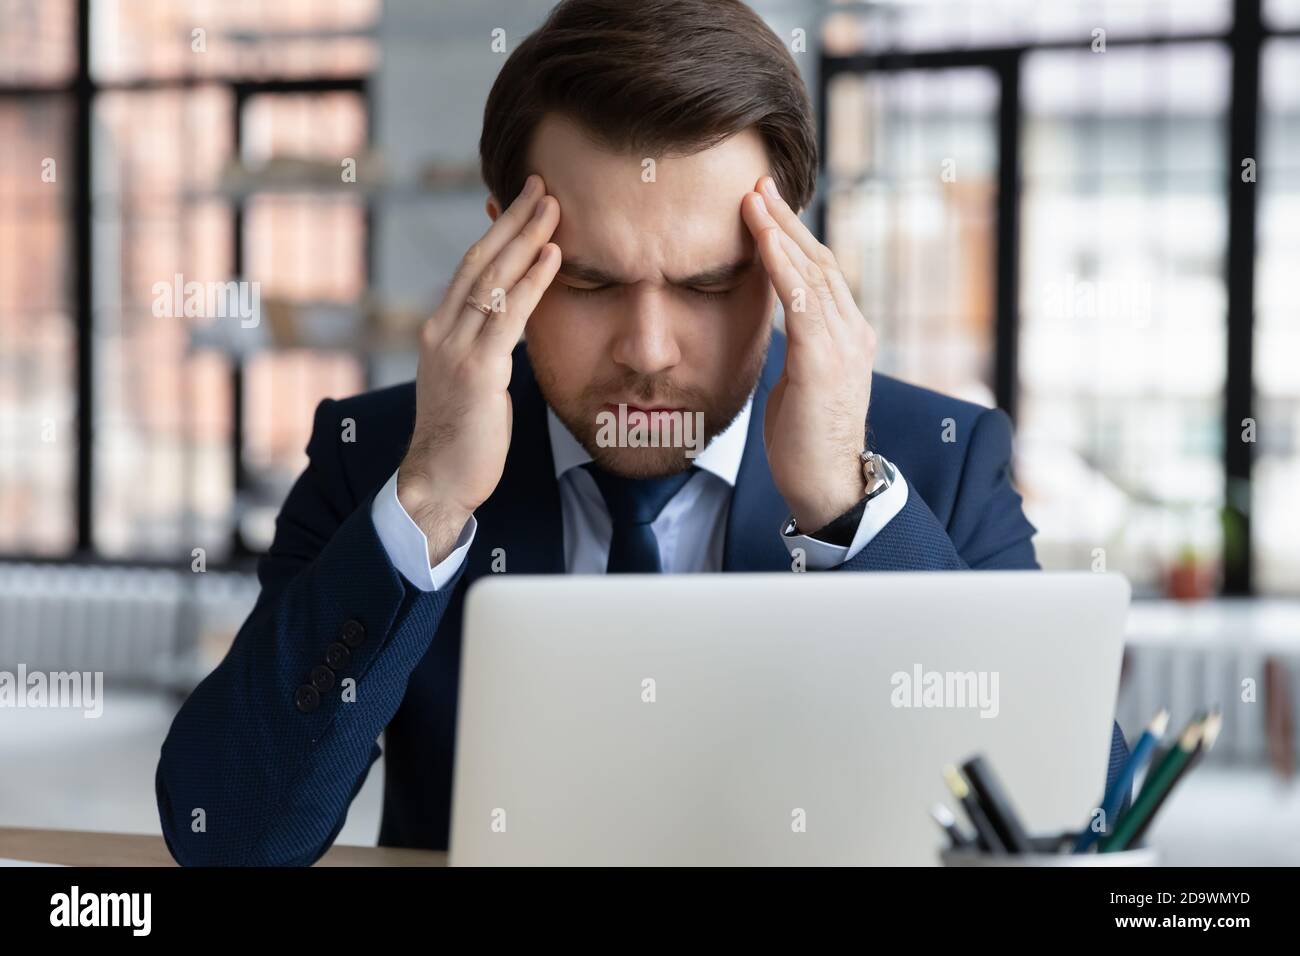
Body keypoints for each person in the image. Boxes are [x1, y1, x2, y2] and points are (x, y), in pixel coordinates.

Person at [156, 0, 1126, 866]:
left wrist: (844, 508)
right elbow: (227, 833)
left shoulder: (935, 459)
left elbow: (1084, 822)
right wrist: (428, 503)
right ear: (501, 247)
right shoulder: (383, 456)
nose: (649, 349)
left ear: (790, 258)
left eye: (708, 284)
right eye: (588, 282)